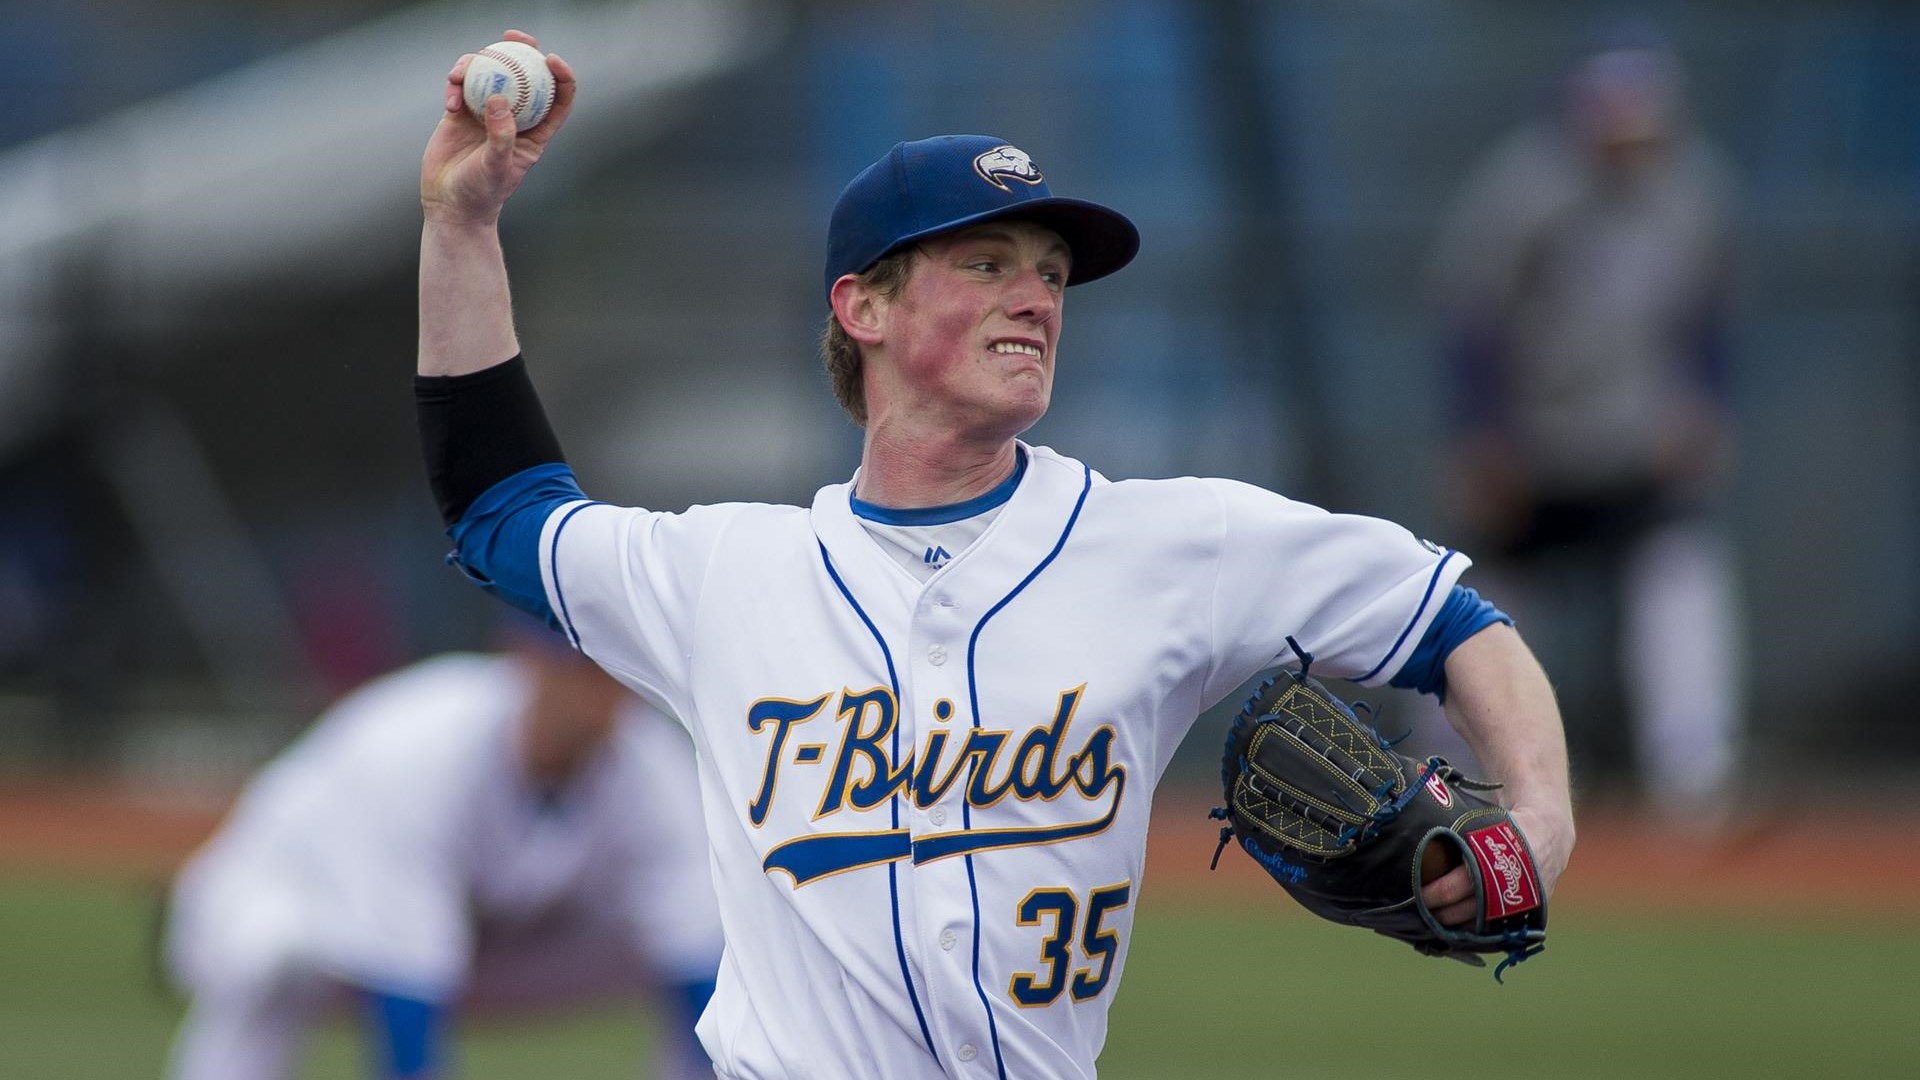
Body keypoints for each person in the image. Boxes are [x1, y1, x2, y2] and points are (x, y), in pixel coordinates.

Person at [416, 29, 1574, 1079]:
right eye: (988, 265)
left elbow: (1457, 623)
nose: (1038, 298)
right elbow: (499, 512)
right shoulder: (727, 573)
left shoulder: (1179, 543)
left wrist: (1541, 822)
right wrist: (462, 225)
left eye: (1053, 275)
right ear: (863, 306)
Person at [1426, 23, 1745, 822]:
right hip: (1536, 442)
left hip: (1634, 438)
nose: (1627, 140)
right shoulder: (1523, 191)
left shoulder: (1693, 192)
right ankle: (1439, 777)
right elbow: (1473, 324)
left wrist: (1704, 407)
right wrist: (1480, 436)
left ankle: (1695, 782)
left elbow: (1709, 319)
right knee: (1475, 603)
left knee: (1679, 576)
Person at [162, 626, 723, 1080]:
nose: (601, 696)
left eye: (614, 677)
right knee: (275, 950)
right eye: (582, 672)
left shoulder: (649, 764)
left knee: (717, 943)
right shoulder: (426, 744)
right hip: (295, 908)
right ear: (527, 660)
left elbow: (696, 964)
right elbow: (405, 996)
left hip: (484, 948)